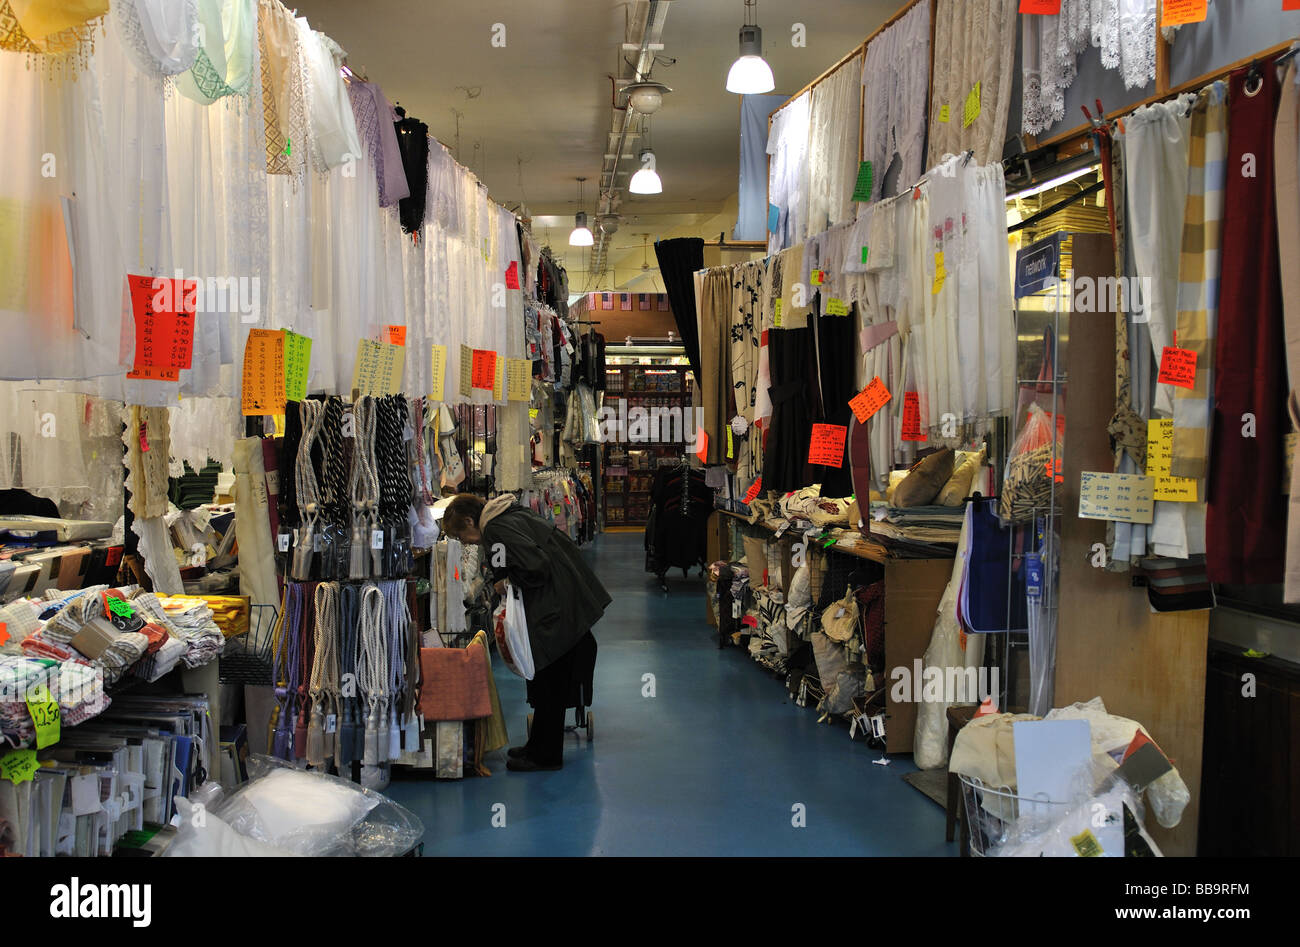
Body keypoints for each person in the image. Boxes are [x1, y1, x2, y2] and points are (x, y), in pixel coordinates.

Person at [441, 492, 610, 771]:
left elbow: (535, 566)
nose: (466, 542)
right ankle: (538, 745)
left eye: (462, 535)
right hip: (565, 598)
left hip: (555, 607)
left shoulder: (493, 528)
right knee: (546, 677)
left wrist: (505, 582)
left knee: (549, 680)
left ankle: (547, 755)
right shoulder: (507, 514)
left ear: (470, 521)